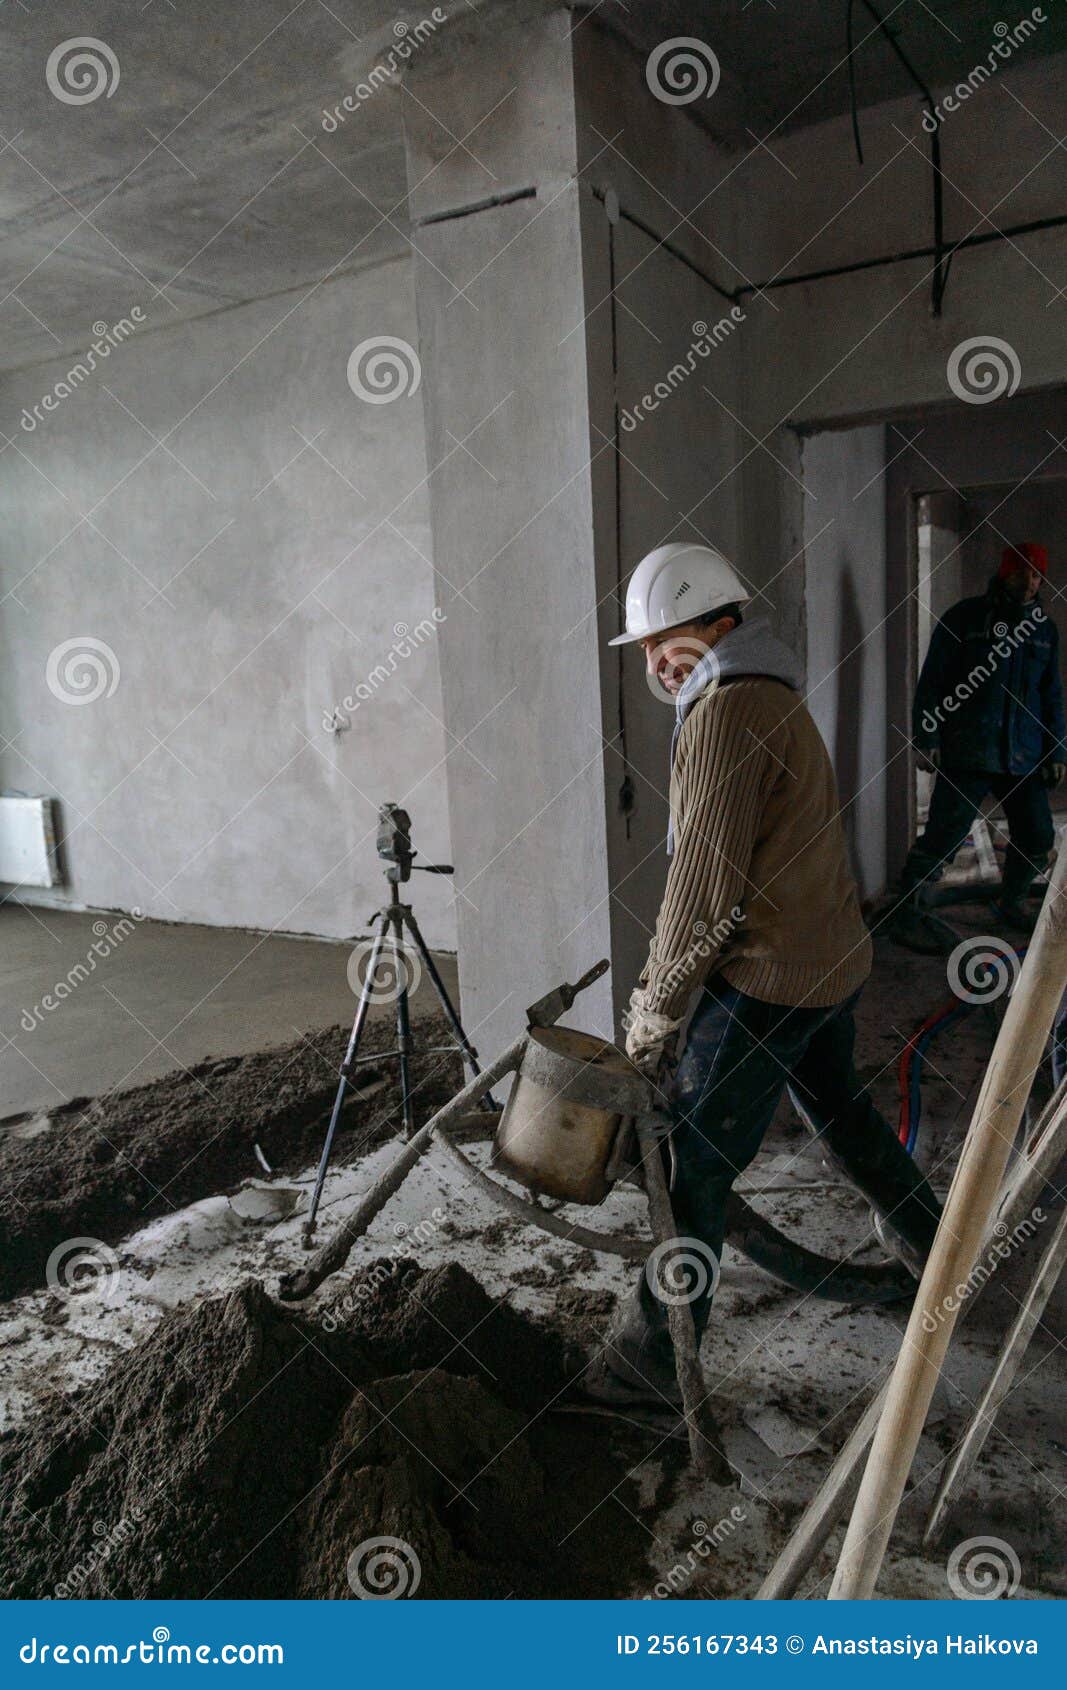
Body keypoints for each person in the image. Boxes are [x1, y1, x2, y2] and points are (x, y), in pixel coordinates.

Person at [588, 542, 942, 1413]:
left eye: (661, 638)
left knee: (690, 1172)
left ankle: (647, 1367)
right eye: (642, 648)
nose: (651, 660)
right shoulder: (771, 693)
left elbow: (704, 884)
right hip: (831, 960)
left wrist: (655, 1007)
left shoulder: (724, 711)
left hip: (769, 982)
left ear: (717, 623)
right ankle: (937, 1256)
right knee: (846, 1118)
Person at [887, 541, 1065, 953]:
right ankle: (905, 914)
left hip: (1022, 755)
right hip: (969, 750)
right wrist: (927, 738)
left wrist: (1057, 751)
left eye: (1037, 575)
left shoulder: (1043, 630)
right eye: (1021, 573)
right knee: (944, 835)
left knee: (1037, 834)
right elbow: (932, 682)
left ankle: (1012, 900)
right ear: (1005, 573)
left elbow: (1052, 695)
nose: (1029, 582)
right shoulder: (965, 619)